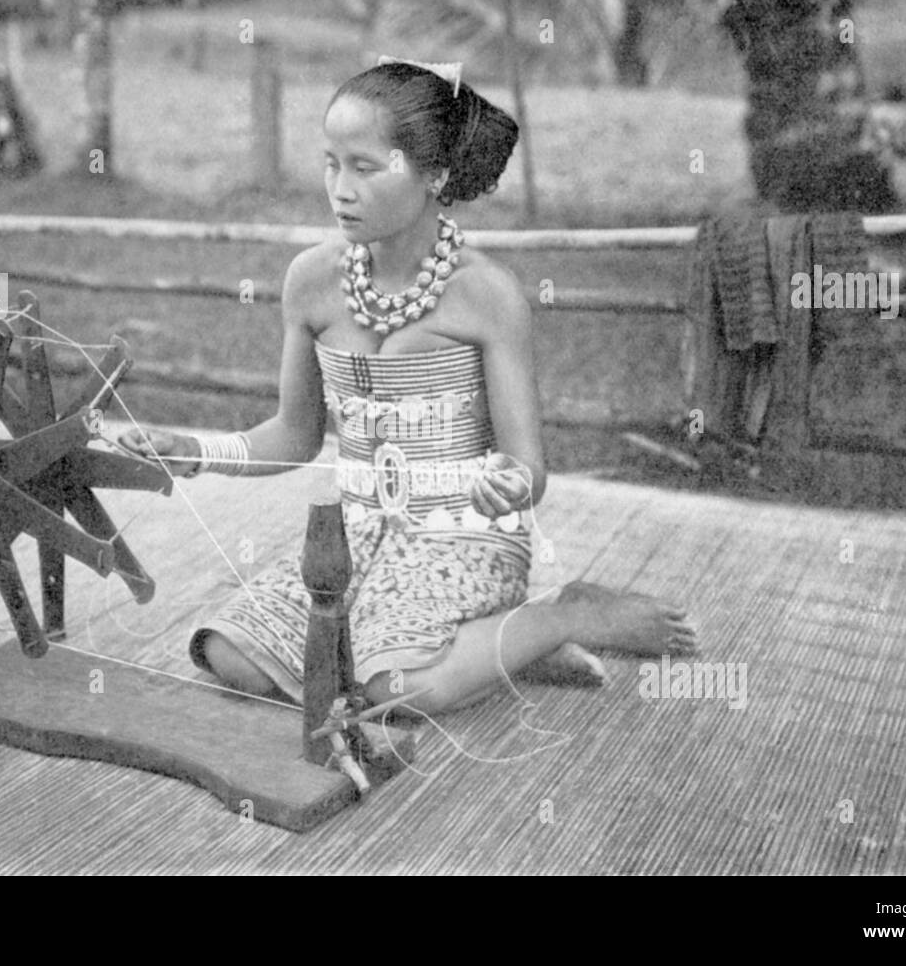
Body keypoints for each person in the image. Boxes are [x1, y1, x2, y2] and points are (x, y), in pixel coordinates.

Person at [120, 57, 696, 716]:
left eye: (366, 167)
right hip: (356, 534)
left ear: (436, 174)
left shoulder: (487, 294)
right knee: (232, 654)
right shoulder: (311, 280)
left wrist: (505, 481)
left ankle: (560, 618)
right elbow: (295, 434)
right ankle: (485, 648)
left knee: (395, 690)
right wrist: (194, 449)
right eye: (330, 163)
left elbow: (528, 467)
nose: (340, 189)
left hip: (466, 531)